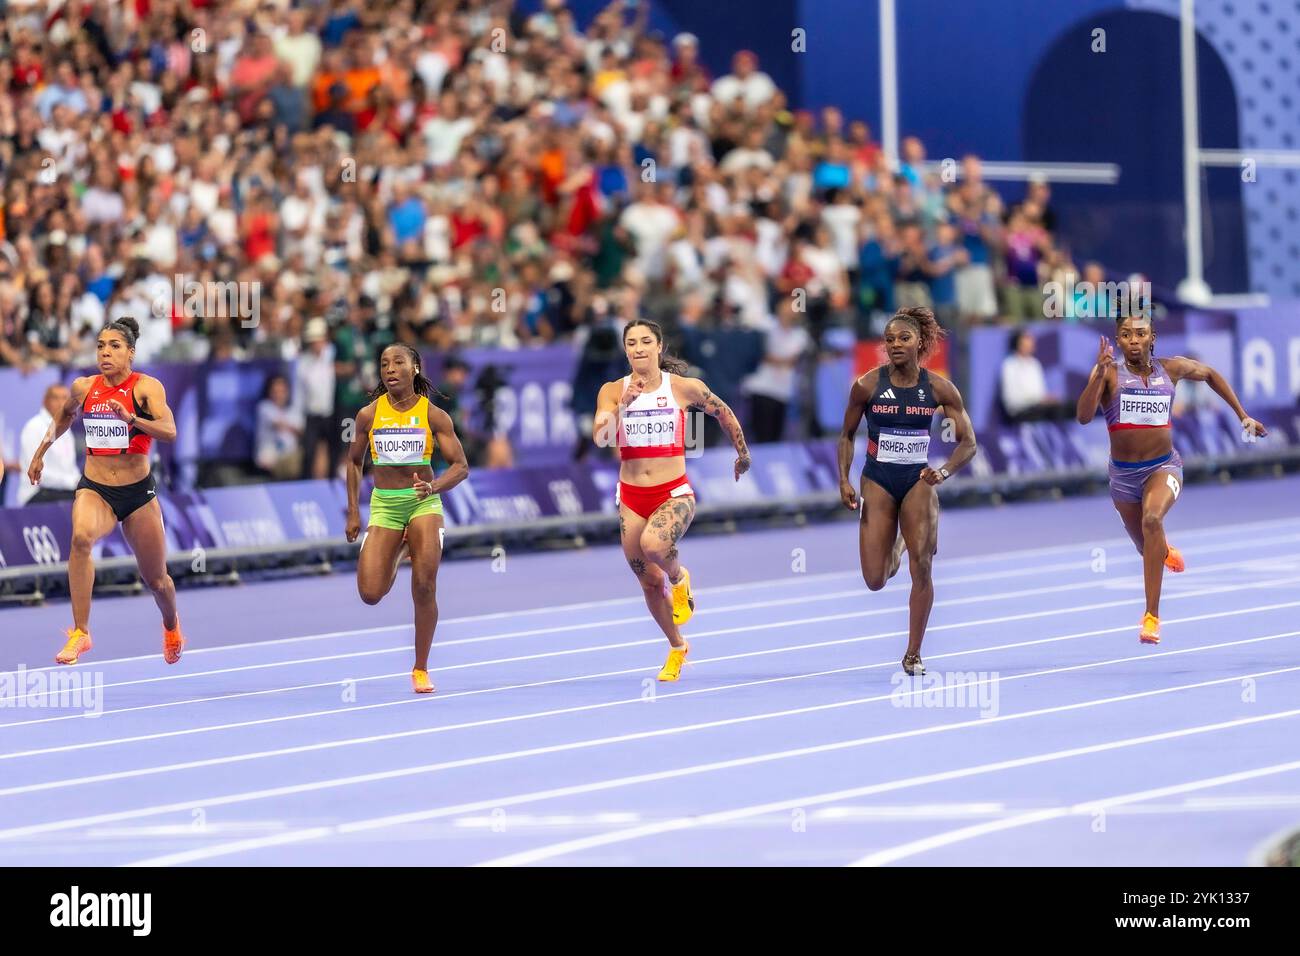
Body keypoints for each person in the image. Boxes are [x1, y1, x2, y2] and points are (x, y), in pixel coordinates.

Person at [1075, 314, 1266, 644]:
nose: (1133, 340)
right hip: (1122, 477)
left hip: (1163, 468)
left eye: (1140, 333)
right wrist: (1098, 376)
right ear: (1118, 341)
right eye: (1125, 335)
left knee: (1152, 520)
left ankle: (1151, 617)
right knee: (1145, 545)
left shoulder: (1171, 369)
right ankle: (1162, 550)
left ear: (1152, 337)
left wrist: (1243, 415)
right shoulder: (1107, 372)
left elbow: (1209, 374)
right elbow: (1082, 416)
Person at [594, 318, 752, 682]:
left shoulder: (682, 387)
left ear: (659, 346)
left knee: (654, 545)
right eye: (631, 342)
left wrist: (742, 454)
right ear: (625, 350)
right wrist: (622, 407)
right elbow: (600, 437)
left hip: (673, 492)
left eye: (646, 341)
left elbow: (723, 412)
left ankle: (680, 578)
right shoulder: (613, 390)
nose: (638, 348)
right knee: (648, 581)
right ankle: (678, 647)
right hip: (631, 496)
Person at [26, 317, 185, 665]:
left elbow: (169, 430)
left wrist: (132, 420)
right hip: (95, 488)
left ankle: (171, 625)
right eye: (100, 346)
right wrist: (40, 454)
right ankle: (81, 632)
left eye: (114, 346)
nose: (105, 352)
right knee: (81, 538)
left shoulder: (146, 388)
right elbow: (63, 417)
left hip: (138, 494)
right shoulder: (84, 387)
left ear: (130, 352)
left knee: (157, 581)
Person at [837, 307, 978, 676]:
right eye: (890, 339)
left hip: (919, 480)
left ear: (920, 343)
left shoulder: (939, 388)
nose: (896, 345)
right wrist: (843, 479)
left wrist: (943, 472)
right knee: (875, 580)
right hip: (878, 479)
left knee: (923, 567)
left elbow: (968, 443)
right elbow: (847, 435)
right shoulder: (866, 385)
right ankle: (900, 541)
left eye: (904, 338)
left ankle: (913, 652)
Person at [344, 344, 469, 694]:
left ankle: (420, 668)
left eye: (398, 362)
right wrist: (354, 510)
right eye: (384, 363)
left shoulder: (434, 416)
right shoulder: (368, 415)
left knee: (424, 585)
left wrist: (433, 486)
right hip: (384, 505)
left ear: (415, 367)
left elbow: (461, 467)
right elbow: (354, 461)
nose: (390, 369)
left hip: (422, 504)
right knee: (370, 593)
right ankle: (402, 549)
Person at [19, 384, 79, 504]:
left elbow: (71, 468)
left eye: (65, 398)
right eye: (55, 398)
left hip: (64, 490)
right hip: (37, 492)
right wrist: (71, 482)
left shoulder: (66, 430)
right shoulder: (34, 427)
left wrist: (79, 482)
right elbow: (36, 474)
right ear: (45, 401)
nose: (61, 403)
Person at [255, 373, 305, 479]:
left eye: (282, 391)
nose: (279, 395)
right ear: (269, 392)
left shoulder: (293, 411)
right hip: (270, 461)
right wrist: (291, 427)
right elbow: (278, 424)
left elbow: (301, 431)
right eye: (275, 392)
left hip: (289, 459)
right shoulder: (264, 408)